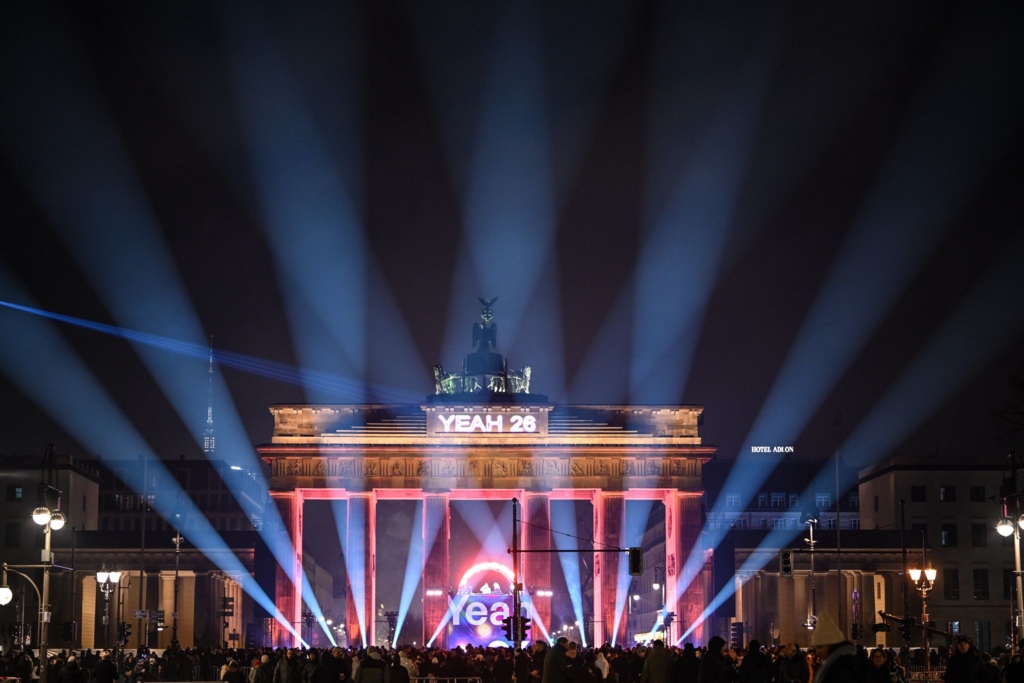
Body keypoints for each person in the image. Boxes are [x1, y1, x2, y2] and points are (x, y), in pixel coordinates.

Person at [809, 612, 866, 683]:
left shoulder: (841, 667)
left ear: (830, 645)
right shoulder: (836, 664)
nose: (817, 652)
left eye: (820, 647)